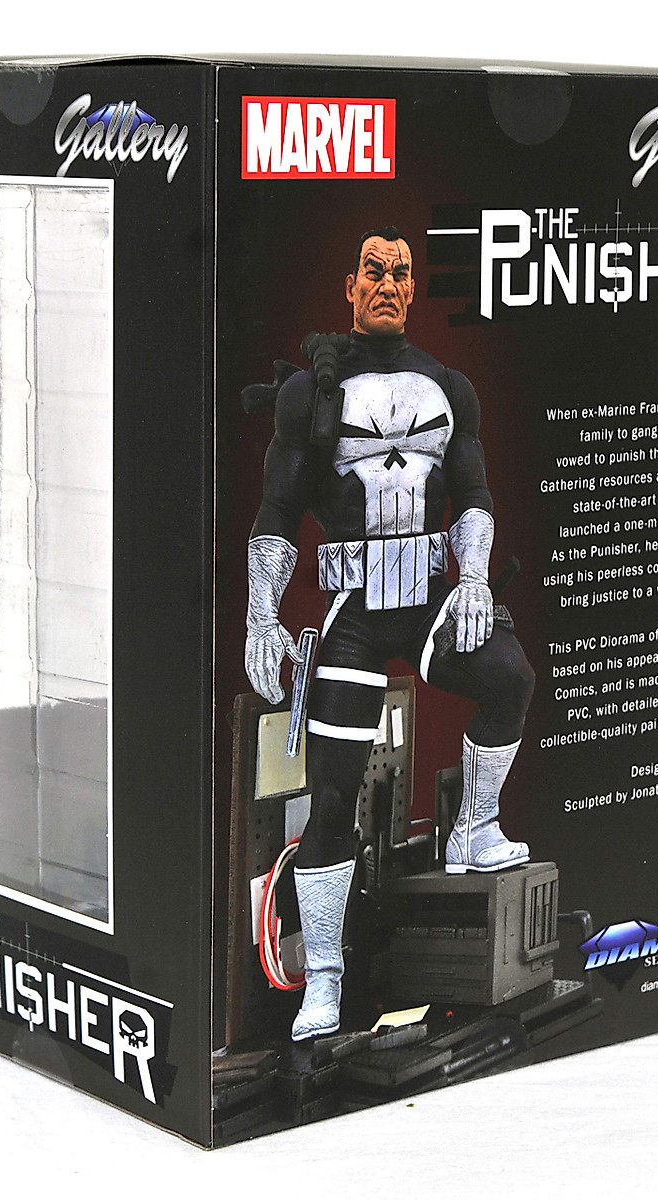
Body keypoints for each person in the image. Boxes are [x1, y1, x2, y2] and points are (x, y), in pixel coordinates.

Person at [245, 227, 535, 1040]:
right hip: (354, 612)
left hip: (431, 592)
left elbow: (473, 494)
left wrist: (472, 577)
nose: (387, 283)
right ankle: (325, 981)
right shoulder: (311, 394)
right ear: (350, 285)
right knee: (331, 797)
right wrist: (261, 614)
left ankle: (474, 826)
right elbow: (277, 509)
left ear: (413, 288)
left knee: (509, 675)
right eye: (373, 269)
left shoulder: (450, 386)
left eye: (401, 272)